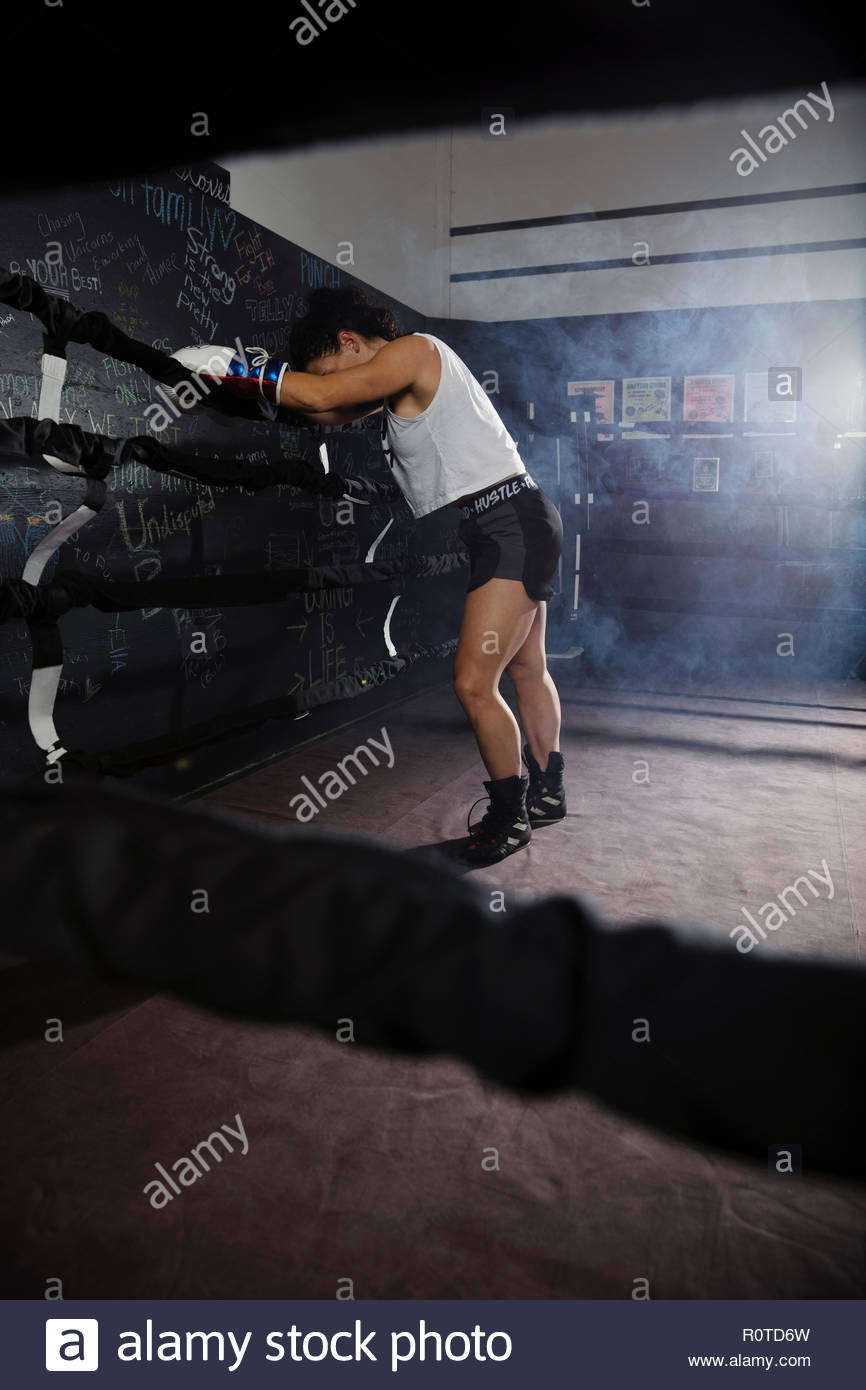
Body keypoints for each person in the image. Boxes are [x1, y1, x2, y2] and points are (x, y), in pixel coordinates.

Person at [182, 288, 566, 865]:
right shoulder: (397, 376)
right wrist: (226, 387)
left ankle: (511, 817)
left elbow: (323, 392)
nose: (332, 376)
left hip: (509, 524)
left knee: (471, 683)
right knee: (527, 668)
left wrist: (233, 363)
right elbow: (324, 409)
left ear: (349, 342)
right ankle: (548, 792)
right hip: (517, 519)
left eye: (331, 363)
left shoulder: (412, 351)